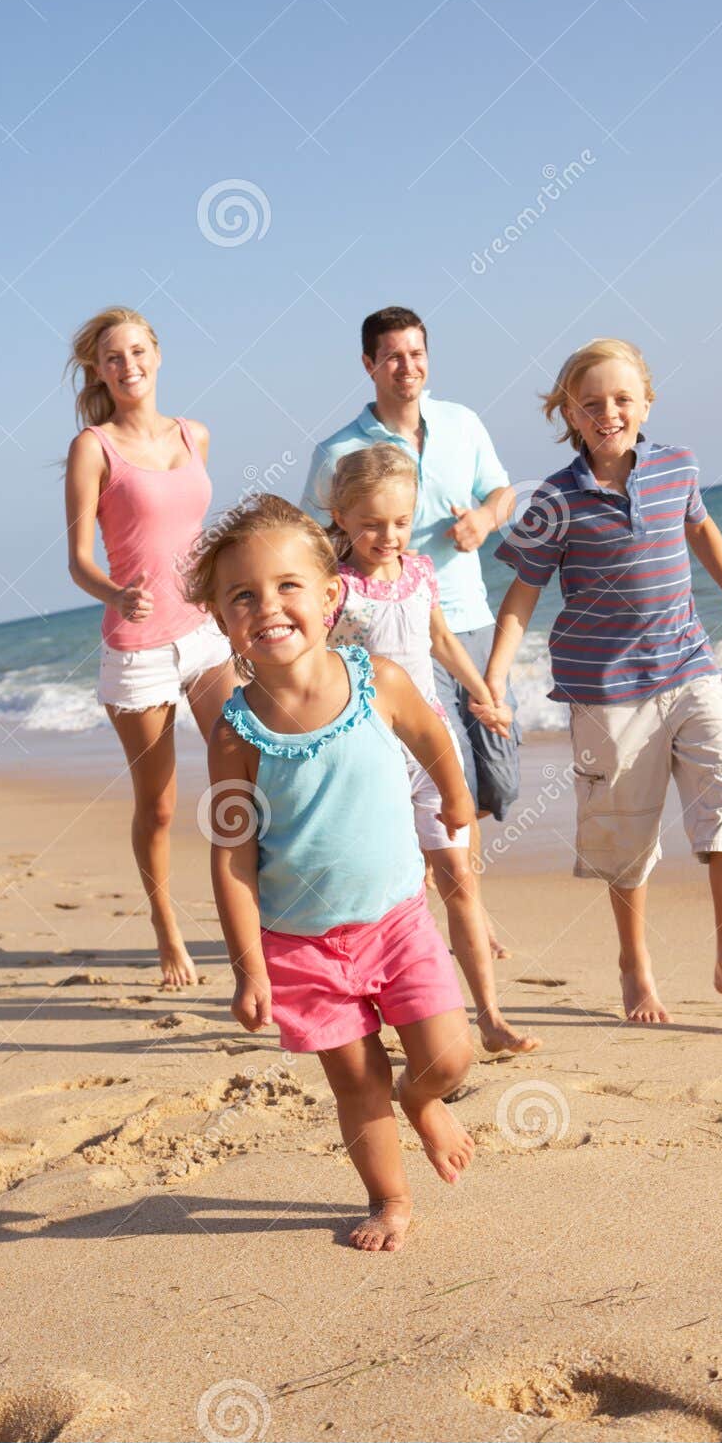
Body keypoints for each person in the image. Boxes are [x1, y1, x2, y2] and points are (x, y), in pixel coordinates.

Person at [188, 493, 476, 1253]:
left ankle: (424, 1099)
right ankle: (390, 1198)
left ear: (329, 594)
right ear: (221, 620)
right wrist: (249, 969)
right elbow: (232, 855)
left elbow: (431, 735)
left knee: (449, 1055)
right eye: (242, 595)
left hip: (396, 919)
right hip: (300, 943)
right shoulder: (235, 732)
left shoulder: (378, 679)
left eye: (287, 586)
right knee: (354, 1083)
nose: (268, 606)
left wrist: (454, 795)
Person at [485, 337, 722, 1025]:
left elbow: (701, 529)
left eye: (622, 399)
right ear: (569, 413)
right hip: (604, 692)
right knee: (625, 839)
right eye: (591, 403)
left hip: (688, 667)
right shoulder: (553, 502)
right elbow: (521, 595)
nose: (608, 413)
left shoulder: (676, 467)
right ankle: (633, 962)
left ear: (645, 402)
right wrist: (495, 677)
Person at [301, 307, 520, 952]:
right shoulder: (335, 451)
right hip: (379, 638)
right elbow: (314, 540)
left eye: (417, 353)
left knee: (488, 780)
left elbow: (503, 490)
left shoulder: (463, 422)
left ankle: (448, 881)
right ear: (369, 365)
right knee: (420, 778)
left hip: (464, 620)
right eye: (393, 356)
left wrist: (484, 519)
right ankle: (461, 907)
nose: (408, 367)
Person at [325, 444, 538, 1056]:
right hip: (372, 758)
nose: (387, 535)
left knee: (462, 884)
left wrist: (484, 696)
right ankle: (398, 1012)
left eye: (398, 520)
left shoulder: (420, 570)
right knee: (398, 894)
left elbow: (441, 639)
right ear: (341, 516)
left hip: (434, 746)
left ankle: (491, 1017)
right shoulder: (335, 590)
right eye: (370, 523)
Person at [64, 306, 233, 989]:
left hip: (205, 635)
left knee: (241, 783)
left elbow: (202, 538)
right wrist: (114, 594)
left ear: (156, 354)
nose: (127, 365)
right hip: (136, 648)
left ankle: (249, 921)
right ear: (98, 370)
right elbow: (77, 558)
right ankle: (167, 930)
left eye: (137, 351)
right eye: (113, 357)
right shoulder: (92, 447)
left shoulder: (195, 434)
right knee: (158, 805)